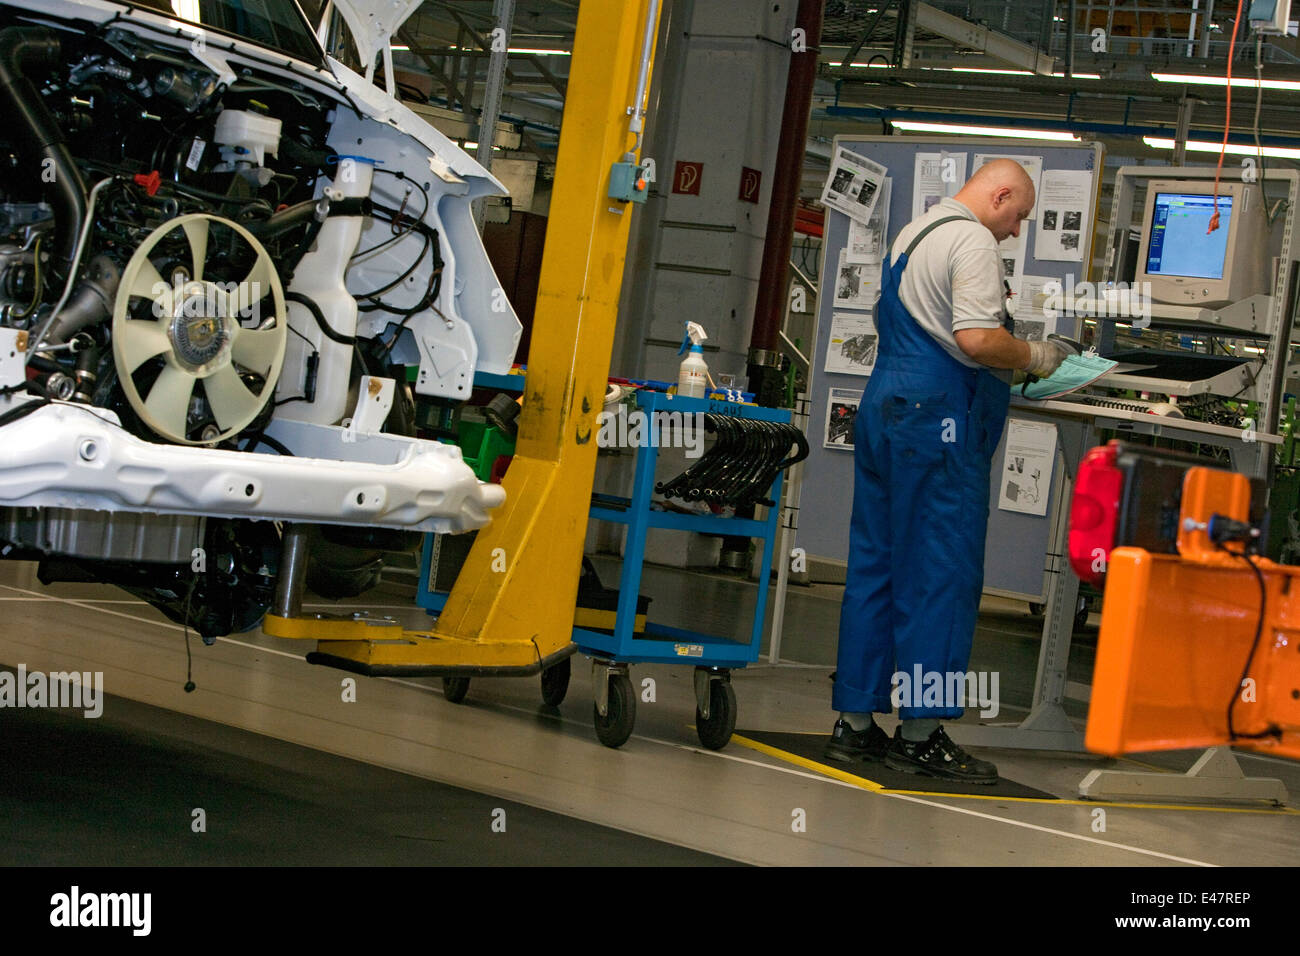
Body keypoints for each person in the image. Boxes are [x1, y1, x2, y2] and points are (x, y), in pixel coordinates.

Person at [825, 159, 1069, 783]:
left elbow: (897, 321)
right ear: (1002, 194)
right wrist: (1039, 356)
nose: (1015, 231)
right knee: (941, 572)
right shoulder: (973, 241)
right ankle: (921, 731)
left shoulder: (915, 232)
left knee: (876, 564)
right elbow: (979, 341)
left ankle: (855, 725)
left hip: (886, 409)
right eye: (1017, 217)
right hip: (938, 423)